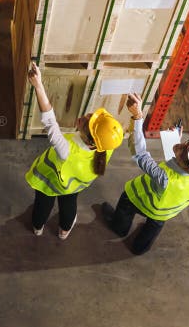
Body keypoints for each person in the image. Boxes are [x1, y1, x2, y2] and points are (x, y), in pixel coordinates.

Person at [102, 93, 189, 255]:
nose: (180, 145)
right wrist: (175, 139)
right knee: (154, 226)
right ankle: (140, 248)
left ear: (188, 167)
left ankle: (119, 229)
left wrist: (137, 117)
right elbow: (181, 167)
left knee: (125, 206)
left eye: (183, 150)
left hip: (139, 199)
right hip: (165, 211)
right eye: (188, 143)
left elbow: (140, 154)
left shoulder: (166, 179)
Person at [26, 62, 123, 239]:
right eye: (90, 116)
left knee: (42, 206)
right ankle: (64, 232)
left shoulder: (67, 150)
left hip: (49, 184)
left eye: (85, 122)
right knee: (69, 205)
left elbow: (49, 121)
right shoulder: (107, 147)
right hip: (73, 186)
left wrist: (38, 85)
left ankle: (38, 228)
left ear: (88, 138)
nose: (83, 117)